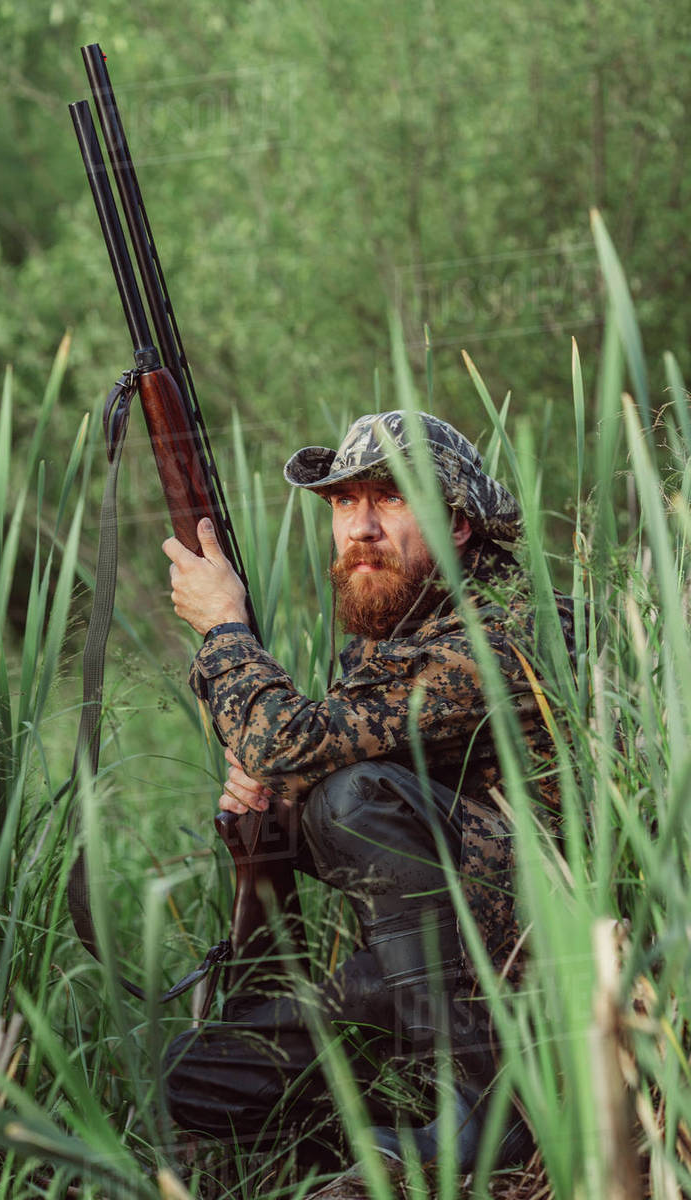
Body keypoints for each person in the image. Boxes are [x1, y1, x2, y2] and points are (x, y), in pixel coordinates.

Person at [161, 411, 571, 1174]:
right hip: (426, 963)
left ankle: (494, 1111)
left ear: (459, 525)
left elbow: (291, 746)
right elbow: (299, 760)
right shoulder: (394, 640)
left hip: (539, 953)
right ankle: (376, 1130)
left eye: (392, 498)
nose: (361, 527)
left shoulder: (499, 635)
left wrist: (224, 628)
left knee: (354, 795)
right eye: (345, 502)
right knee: (202, 1079)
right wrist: (272, 803)